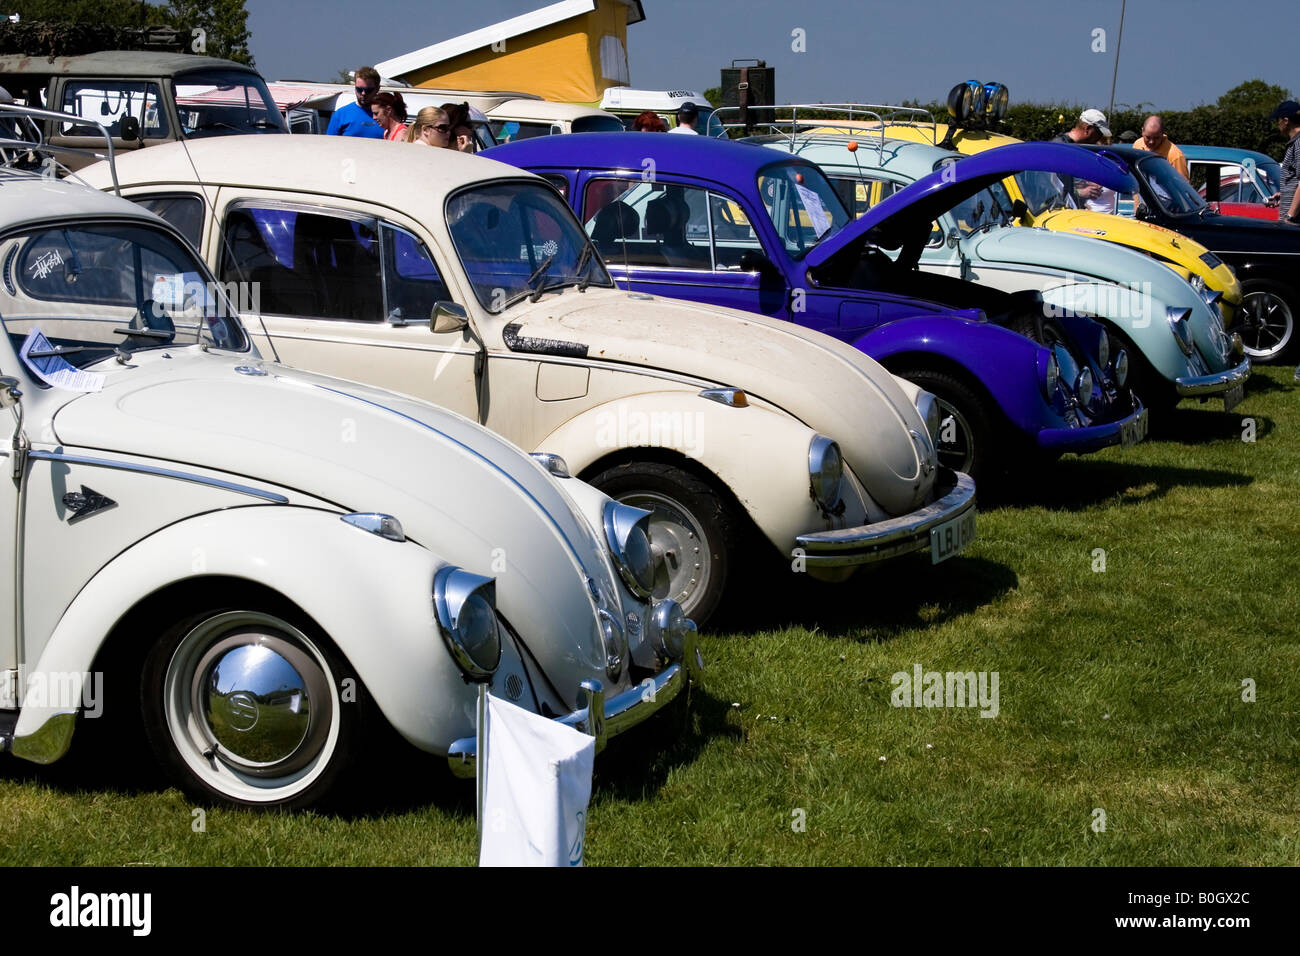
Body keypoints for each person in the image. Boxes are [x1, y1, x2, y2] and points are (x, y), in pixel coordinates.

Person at [1049, 108, 1110, 204]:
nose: (1099, 138)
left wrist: (1082, 185)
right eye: (1098, 134)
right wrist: (1080, 193)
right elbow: (1052, 187)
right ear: (1087, 129)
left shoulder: (1074, 148)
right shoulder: (1061, 148)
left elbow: (1067, 182)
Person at [326, 66, 385, 138]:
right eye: (359, 89)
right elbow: (330, 144)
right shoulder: (341, 114)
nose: (363, 93)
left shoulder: (386, 116)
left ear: (377, 89)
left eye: (368, 90)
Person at [1270, 100, 1300, 227]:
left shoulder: (1298, 143)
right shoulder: (1295, 143)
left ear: (1286, 121)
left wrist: (1290, 216)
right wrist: (1285, 194)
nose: (1277, 124)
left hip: (1294, 223)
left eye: (1278, 119)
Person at [1133, 114, 1189, 180]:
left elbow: (1182, 185)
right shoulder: (1137, 145)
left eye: (1156, 138)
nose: (1151, 142)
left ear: (1162, 134)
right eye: (1148, 137)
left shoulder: (1175, 156)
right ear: (1142, 131)